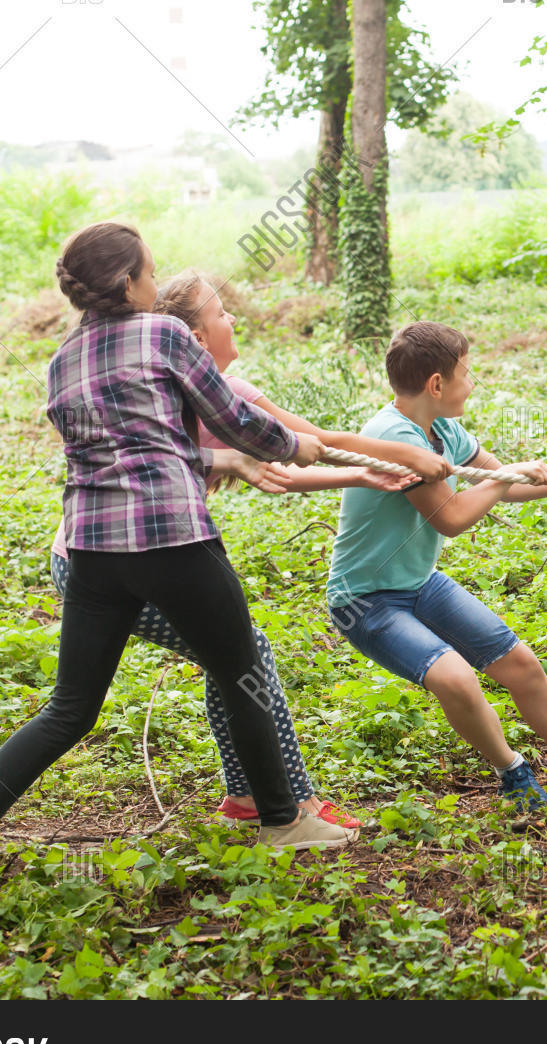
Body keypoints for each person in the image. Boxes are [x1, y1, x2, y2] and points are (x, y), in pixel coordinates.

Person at [0, 222, 361, 907]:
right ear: (126, 282)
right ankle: (282, 821)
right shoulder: (165, 334)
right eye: (149, 270)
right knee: (241, 667)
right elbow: (231, 417)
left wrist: (234, 456)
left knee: (68, 711)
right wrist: (292, 444)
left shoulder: (62, 359)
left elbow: (136, 446)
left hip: (91, 550)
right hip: (169, 537)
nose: (155, 280)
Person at [46, 269, 436, 831]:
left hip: (97, 554)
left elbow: (282, 466)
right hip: (116, 559)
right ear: (196, 338)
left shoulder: (198, 384)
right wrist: (402, 456)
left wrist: (365, 474)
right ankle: (294, 802)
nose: (233, 318)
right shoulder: (198, 389)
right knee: (244, 653)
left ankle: (246, 797)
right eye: (221, 313)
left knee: (227, 656)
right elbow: (318, 443)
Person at [325, 320, 547, 808]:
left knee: (521, 665)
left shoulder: (444, 428)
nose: (472, 383)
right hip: (365, 600)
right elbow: (451, 518)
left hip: (418, 583)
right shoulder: (395, 438)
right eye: (467, 373)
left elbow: (507, 486)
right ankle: (512, 770)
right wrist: (505, 477)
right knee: (454, 677)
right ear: (437, 384)